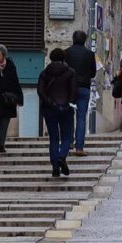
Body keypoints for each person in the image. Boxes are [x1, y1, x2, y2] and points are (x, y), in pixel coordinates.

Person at [36, 48, 78, 177]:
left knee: (53, 139)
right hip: (66, 109)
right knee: (67, 137)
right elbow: (73, 90)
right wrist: (68, 104)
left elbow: (40, 91)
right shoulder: (70, 72)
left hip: (49, 109)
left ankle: (55, 168)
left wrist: (51, 103)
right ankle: (61, 157)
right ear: (63, 58)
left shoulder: (44, 73)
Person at [63, 31, 97, 153]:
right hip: (84, 88)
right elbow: (93, 72)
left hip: (69, 89)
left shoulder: (66, 52)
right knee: (81, 117)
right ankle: (79, 147)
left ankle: (69, 142)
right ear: (85, 40)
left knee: (68, 116)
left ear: (73, 39)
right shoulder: (89, 54)